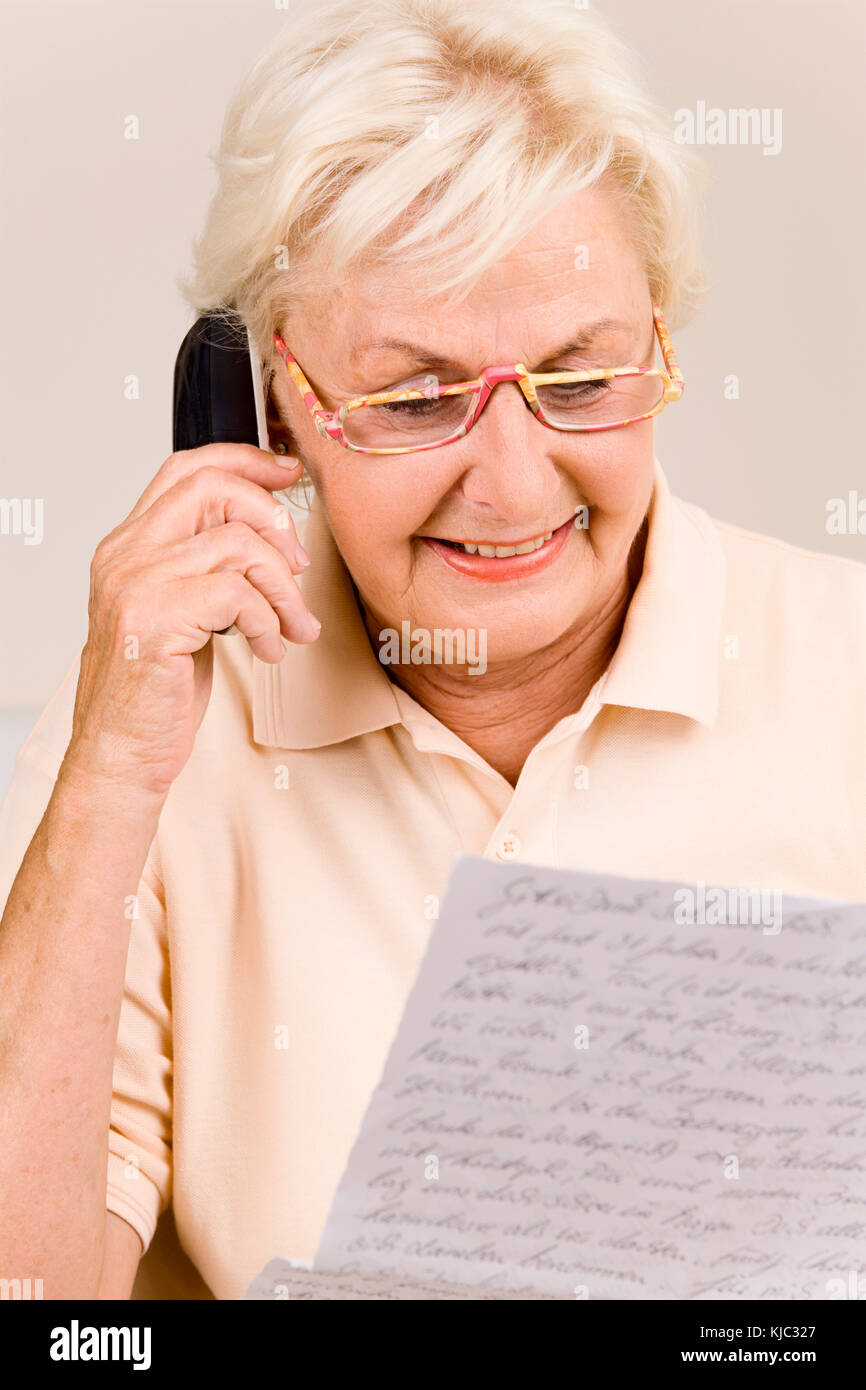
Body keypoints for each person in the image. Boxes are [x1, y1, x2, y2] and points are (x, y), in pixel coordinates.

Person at [1, 0, 864, 1301]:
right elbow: (36, 1295)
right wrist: (116, 772)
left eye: (578, 380)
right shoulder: (153, 726)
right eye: (413, 399)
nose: (512, 486)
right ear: (273, 404)